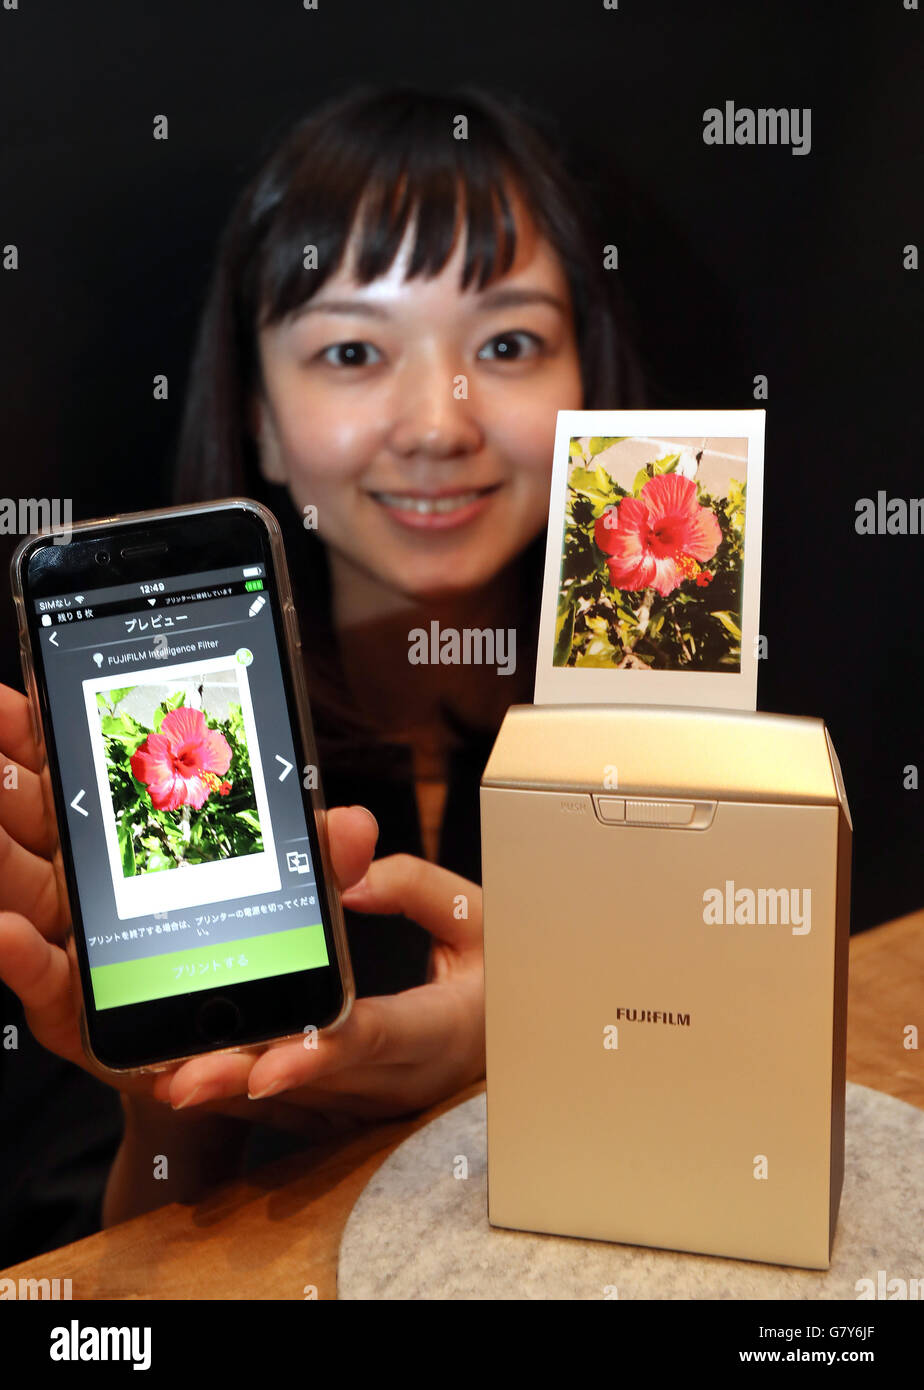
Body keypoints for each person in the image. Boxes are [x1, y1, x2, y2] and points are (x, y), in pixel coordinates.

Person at [0, 84, 642, 1239]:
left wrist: (531, 1041)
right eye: (352, 350)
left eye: (507, 342)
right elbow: (91, 1270)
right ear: (259, 415)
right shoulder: (158, 758)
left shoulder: (680, 751)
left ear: (583, 377)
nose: (439, 422)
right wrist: (178, 1111)